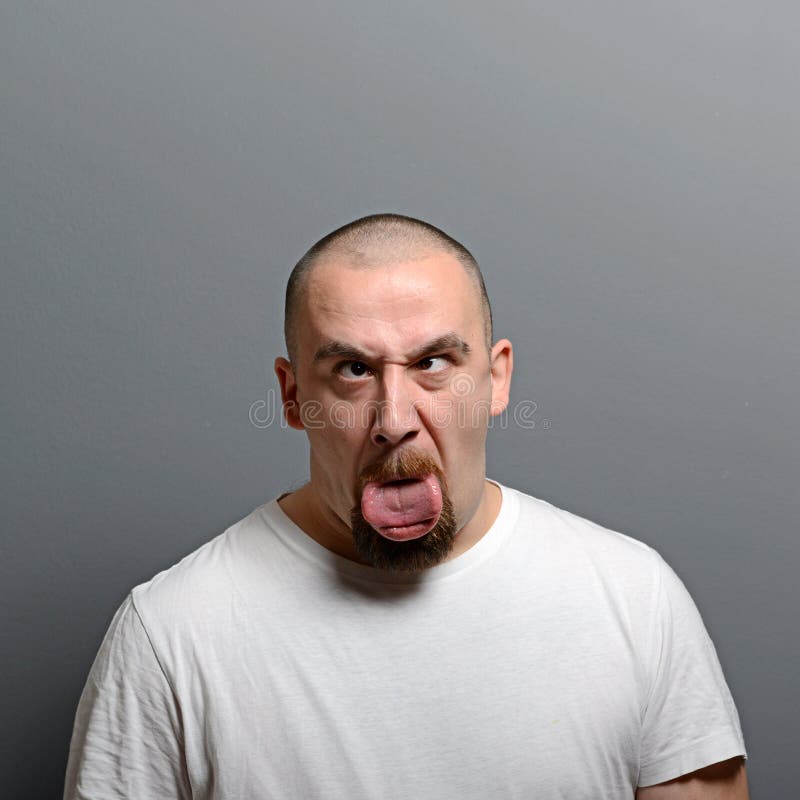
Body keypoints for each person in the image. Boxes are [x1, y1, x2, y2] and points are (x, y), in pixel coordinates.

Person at [64, 214, 748, 799]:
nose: (394, 419)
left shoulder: (635, 598)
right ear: (292, 393)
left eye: (433, 363)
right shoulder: (169, 636)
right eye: (353, 370)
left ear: (497, 376)